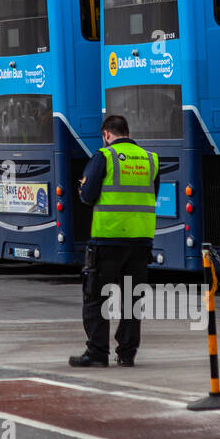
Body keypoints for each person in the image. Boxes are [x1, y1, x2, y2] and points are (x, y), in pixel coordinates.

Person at [69, 114, 160, 368]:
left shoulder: (104, 156)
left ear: (107, 134)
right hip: (141, 241)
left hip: (108, 239)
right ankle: (127, 353)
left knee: (96, 296)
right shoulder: (150, 159)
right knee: (133, 299)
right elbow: (152, 194)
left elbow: (87, 195)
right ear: (127, 132)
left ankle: (97, 352)